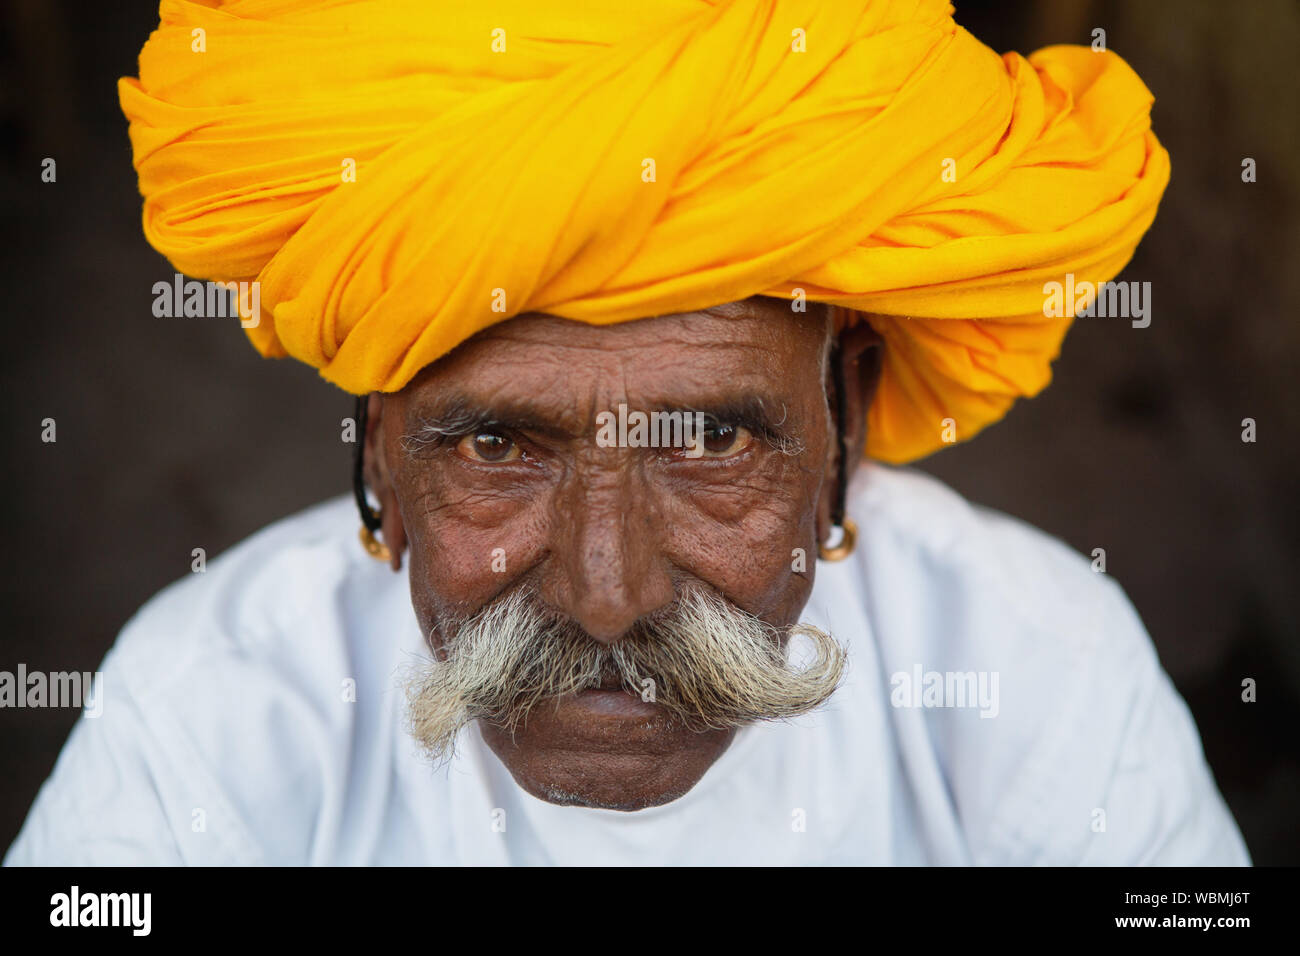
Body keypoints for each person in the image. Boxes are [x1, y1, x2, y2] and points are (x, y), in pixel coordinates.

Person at [6, 0, 1247, 864]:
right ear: (376, 451)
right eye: (496, 446)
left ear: (844, 430)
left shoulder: (1043, 675)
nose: (608, 593)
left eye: (713, 443)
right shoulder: (200, 723)